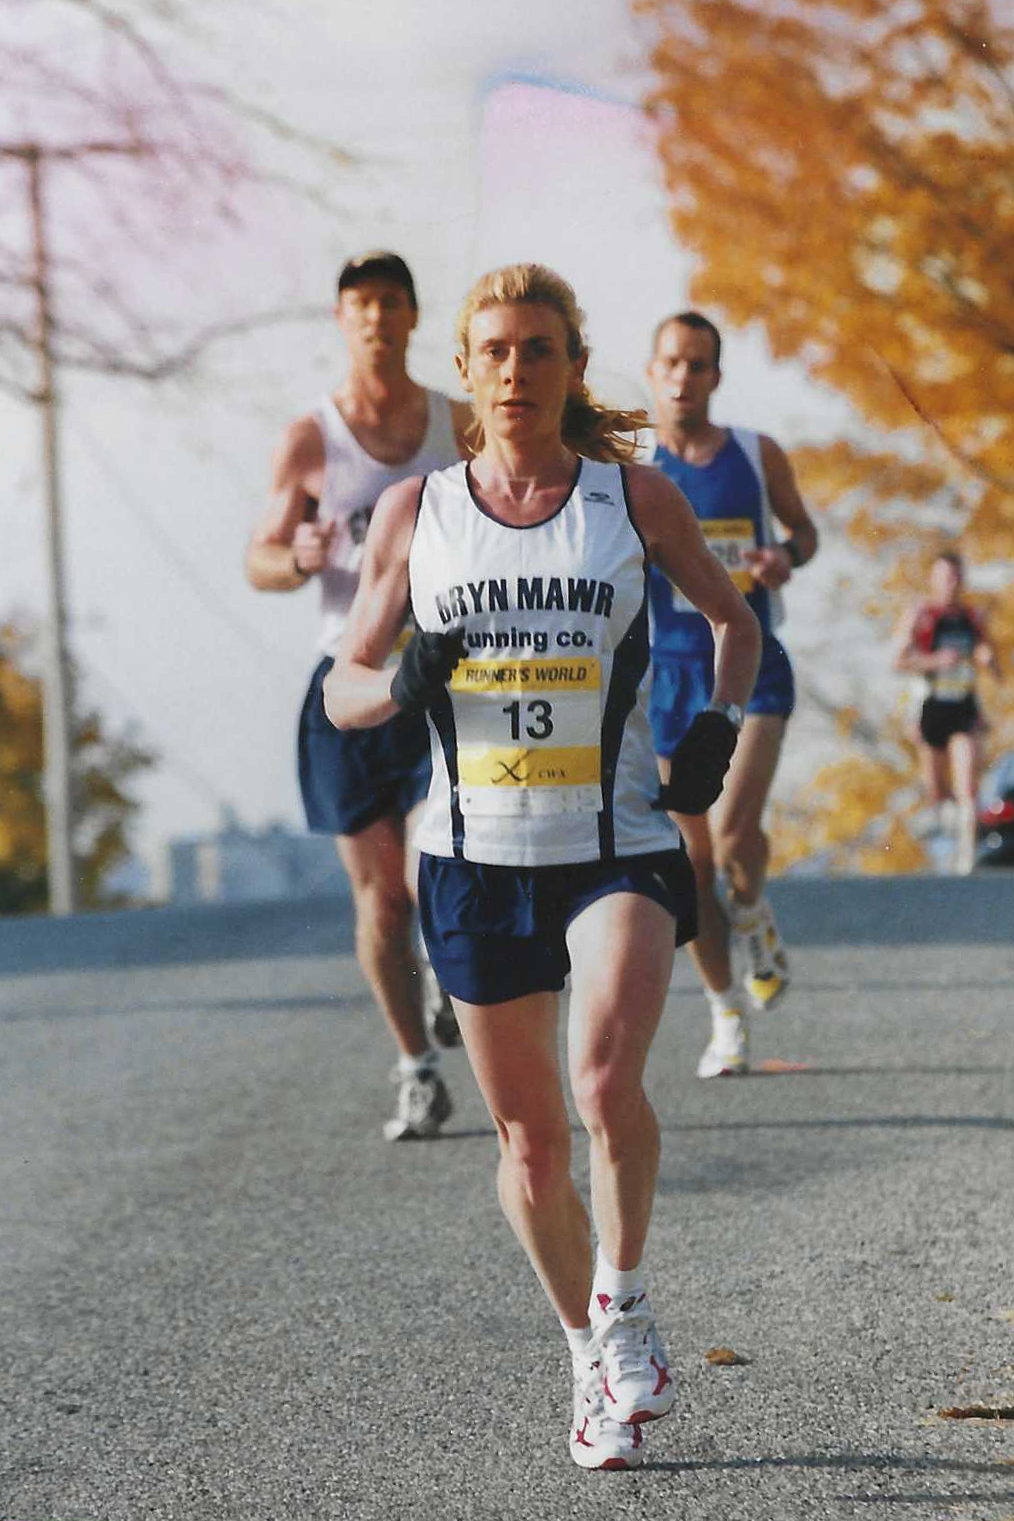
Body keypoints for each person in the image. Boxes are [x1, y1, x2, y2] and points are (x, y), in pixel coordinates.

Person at [323, 264, 761, 1469]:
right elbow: (342, 686)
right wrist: (401, 681)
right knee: (528, 1148)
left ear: (573, 366)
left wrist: (714, 731)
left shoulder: (634, 499)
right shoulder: (419, 515)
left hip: (614, 842)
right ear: (466, 370)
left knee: (606, 1083)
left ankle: (623, 1302)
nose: (518, 371)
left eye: (541, 349)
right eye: (497, 351)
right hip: (471, 858)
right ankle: (583, 1350)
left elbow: (735, 624)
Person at [245, 250, 471, 1140]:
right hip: (344, 680)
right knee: (378, 896)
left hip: (442, 677)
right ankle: (417, 1066)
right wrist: (292, 557)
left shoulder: (456, 427)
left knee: (433, 864)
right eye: (360, 305)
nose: (376, 318)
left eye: (390, 303)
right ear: (342, 319)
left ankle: (449, 965)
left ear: (413, 316)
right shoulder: (312, 439)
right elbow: (258, 557)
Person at [644, 311, 819, 1080]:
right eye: (672, 362)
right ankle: (724, 1013)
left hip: (750, 662)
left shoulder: (755, 452)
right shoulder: (632, 468)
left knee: (737, 832)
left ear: (716, 376)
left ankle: (753, 913)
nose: (684, 376)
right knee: (690, 860)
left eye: (699, 364)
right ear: (653, 371)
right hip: (671, 675)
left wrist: (782, 558)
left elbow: (804, 532)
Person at [893, 549, 998, 874]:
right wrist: (935, 661)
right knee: (938, 793)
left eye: (956, 577)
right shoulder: (921, 615)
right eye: (945, 577)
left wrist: (987, 660)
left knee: (968, 784)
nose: (951, 584)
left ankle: (967, 859)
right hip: (931, 708)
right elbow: (898, 660)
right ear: (933, 579)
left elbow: (990, 658)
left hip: (964, 707)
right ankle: (947, 844)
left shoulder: (972, 617)